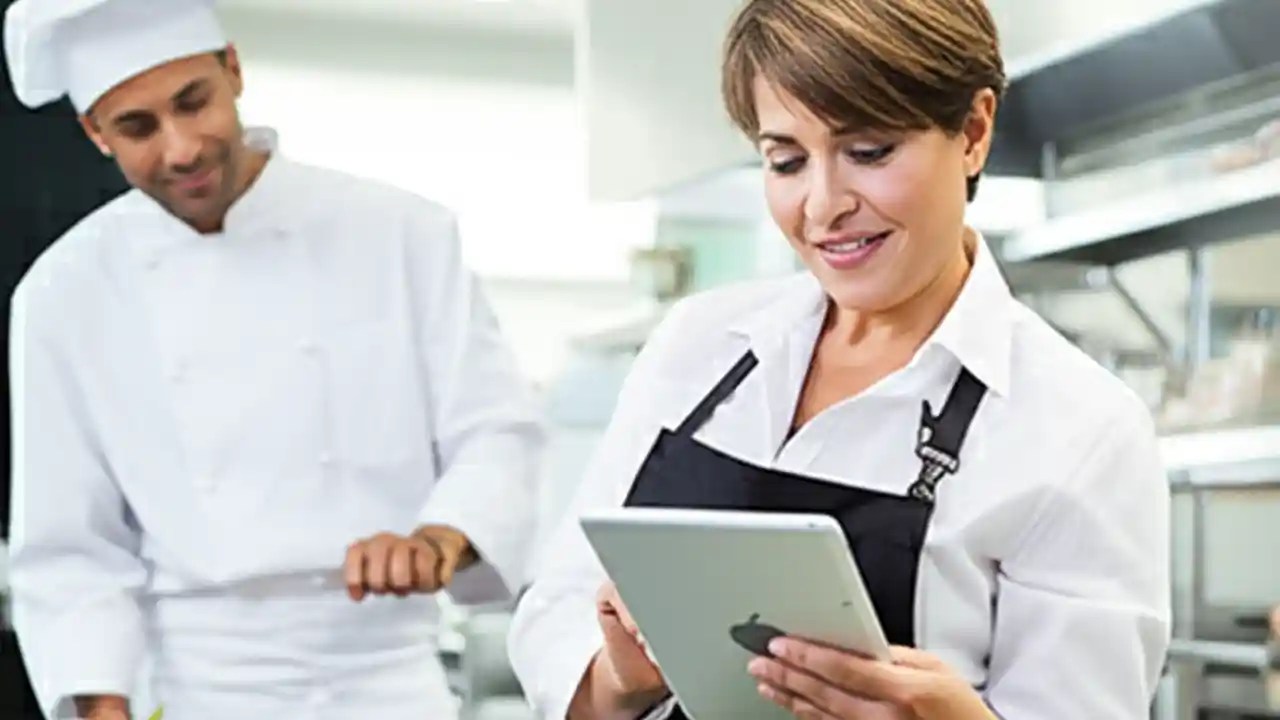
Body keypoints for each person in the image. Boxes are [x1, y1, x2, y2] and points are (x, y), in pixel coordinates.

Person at [507, 0, 1172, 718]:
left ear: (973, 132)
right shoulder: (697, 346)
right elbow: (559, 602)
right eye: (786, 161)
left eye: (869, 152)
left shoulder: (1081, 427)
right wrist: (617, 678)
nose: (822, 206)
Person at [4, 1, 544, 718]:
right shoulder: (63, 293)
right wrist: (103, 706)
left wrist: (438, 537)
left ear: (233, 69)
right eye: (138, 126)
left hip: (388, 683)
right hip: (198, 689)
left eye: (193, 102)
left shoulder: (401, 235)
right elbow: (70, 550)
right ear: (94, 134)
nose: (182, 149)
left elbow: (497, 432)